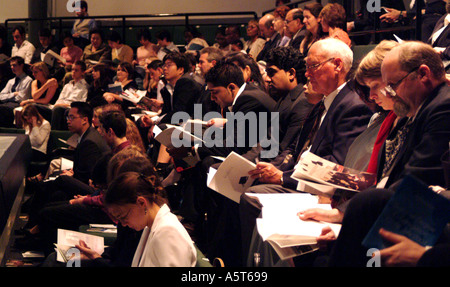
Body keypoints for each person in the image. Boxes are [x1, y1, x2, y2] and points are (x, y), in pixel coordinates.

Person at [328, 41, 450, 266]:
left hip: (437, 208)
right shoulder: (424, 108)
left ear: (423, 74)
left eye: (392, 85)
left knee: (369, 203)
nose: (389, 94)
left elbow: (418, 179)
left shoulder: (442, 106)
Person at [81, 171, 196, 267]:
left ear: (141, 203)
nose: (124, 224)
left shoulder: (167, 231)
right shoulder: (151, 227)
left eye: (123, 217)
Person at [263, 46, 314, 153]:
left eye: (272, 73)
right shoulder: (282, 98)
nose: (267, 79)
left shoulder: (302, 102)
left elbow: (284, 149)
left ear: (291, 74)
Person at [51, 60, 89, 130]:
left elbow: (81, 105)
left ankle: (54, 135)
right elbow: (59, 100)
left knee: (57, 109)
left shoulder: (85, 87)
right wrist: (58, 105)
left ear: (83, 72)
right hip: (58, 106)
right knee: (36, 107)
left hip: (70, 109)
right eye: (72, 69)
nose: (73, 72)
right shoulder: (67, 85)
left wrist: (62, 105)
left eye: (76, 70)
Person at [0, 56, 32, 127]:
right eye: (11, 65)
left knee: (2, 109)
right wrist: (14, 94)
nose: (12, 67)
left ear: (21, 65)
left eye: (14, 65)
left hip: (19, 105)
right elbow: (1, 96)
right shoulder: (11, 81)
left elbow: (21, 98)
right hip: (7, 104)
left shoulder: (28, 80)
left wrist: (7, 96)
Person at [22, 104, 51, 177]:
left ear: (34, 116)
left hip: (39, 152)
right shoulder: (28, 124)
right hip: (30, 150)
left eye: (29, 118)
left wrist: (35, 125)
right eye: (26, 119)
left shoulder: (45, 124)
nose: (28, 121)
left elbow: (39, 142)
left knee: (20, 155)